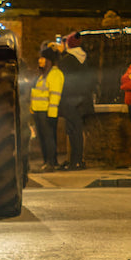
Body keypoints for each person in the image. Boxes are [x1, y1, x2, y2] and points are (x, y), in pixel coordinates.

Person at [57, 35, 94, 170]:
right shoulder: (85, 58)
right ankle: (77, 160)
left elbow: (62, 78)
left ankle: (75, 161)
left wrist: (60, 54)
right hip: (83, 99)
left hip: (70, 99)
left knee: (73, 131)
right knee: (78, 130)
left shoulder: (67, 60)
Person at [29, 48, 65, 171]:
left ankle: (51, 162)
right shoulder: (43, 74)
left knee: (49, 138)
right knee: (43, 138)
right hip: (39, 111)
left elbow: (55, 95)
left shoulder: (55, 74)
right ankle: (47, 162)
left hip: (46, 112)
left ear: (48, 60)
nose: (40, 60)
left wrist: (52, 113)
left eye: (42, 58)